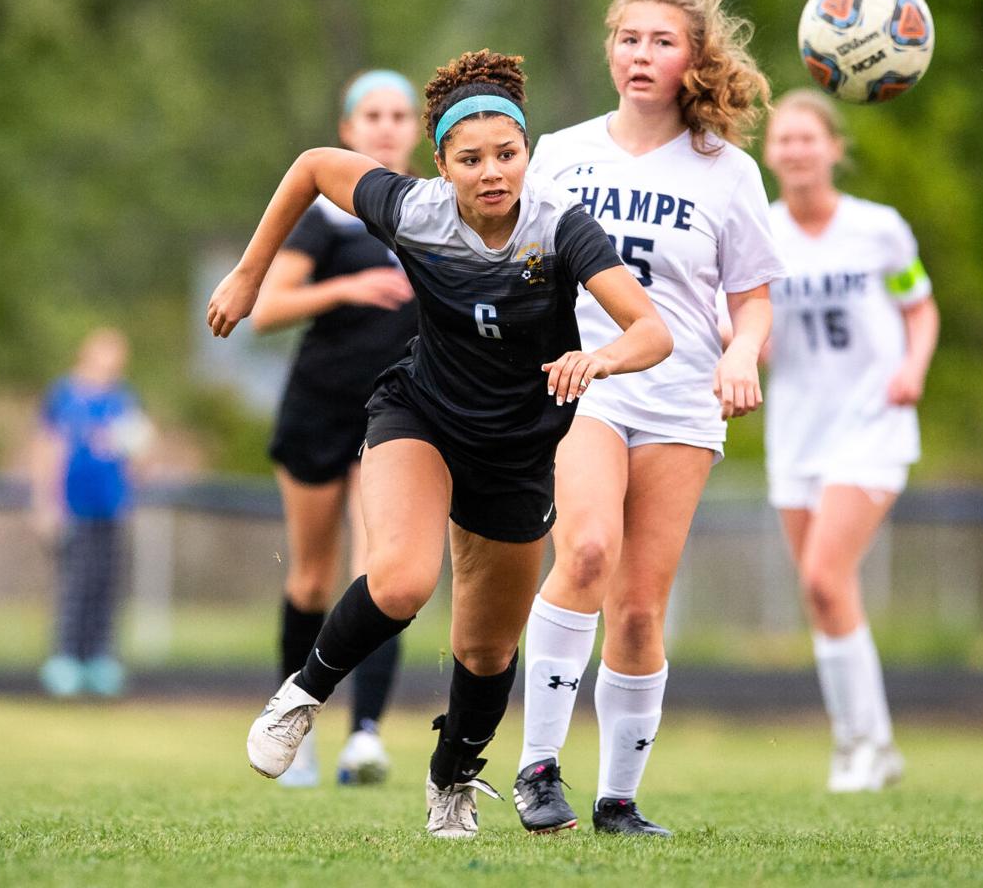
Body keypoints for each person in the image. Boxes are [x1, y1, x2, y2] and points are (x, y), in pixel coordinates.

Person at [206, 49, 672, 840]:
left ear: (527, 153)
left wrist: (598, 357)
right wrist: (251, 276)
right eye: (471, 159)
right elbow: (316, 165)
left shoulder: (560, 227)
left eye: (507, 154)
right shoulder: (414, 209)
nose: (492, 172)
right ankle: (301, 697)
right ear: (441, 165)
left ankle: (450, 780)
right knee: (400, 581)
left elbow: (652, 331)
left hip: (518, 450)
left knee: (487, 649)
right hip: (419, 416)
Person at [513, 0, 786, 837]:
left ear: (693, 60)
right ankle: (537, 769)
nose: (641, 55)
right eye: (628, 38)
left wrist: (743, 352)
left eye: (662, 42)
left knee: (638, 606)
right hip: (582, 383)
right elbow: (517, 267)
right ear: (609, 48)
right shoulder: (558, 152)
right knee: (586, 550)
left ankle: (618, 801)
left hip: (680, 401)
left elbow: (752, 296)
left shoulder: (729, 172)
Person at [760, 88, 940, 792]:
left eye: (810, 138)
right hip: (798, 432)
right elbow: (750, 327)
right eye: (784, 140)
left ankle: (861, 746)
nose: (797, 150)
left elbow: (919, 308)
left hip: (872, 425)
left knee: (822, 577)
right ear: (769, 153)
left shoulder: (878, 230)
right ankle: (871, 744)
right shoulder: (760, 232)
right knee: (827, 596)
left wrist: (912, 368)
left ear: (835, 148)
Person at [251, 70, 421, 789]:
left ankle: (367, 735)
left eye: (399, 115)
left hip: (398, 416)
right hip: (319, 410)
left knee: (381, 569)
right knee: (314, 576)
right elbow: (267, 308)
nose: (385, 126)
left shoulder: (431, 211)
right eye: (371, 115)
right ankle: (297, 734)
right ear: (347, 130)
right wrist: (349, 286)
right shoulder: (325, 218)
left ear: (418, 129)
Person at [32, 327, 152, 699]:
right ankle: (66, 659)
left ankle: (100, 660)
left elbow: (140, 451)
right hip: (74, 508)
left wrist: (137, 455)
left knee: (105, 584)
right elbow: (46, 450)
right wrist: (45, 503)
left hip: (111, 508)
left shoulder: (123, 399)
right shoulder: (63, 396)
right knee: (75, 586)